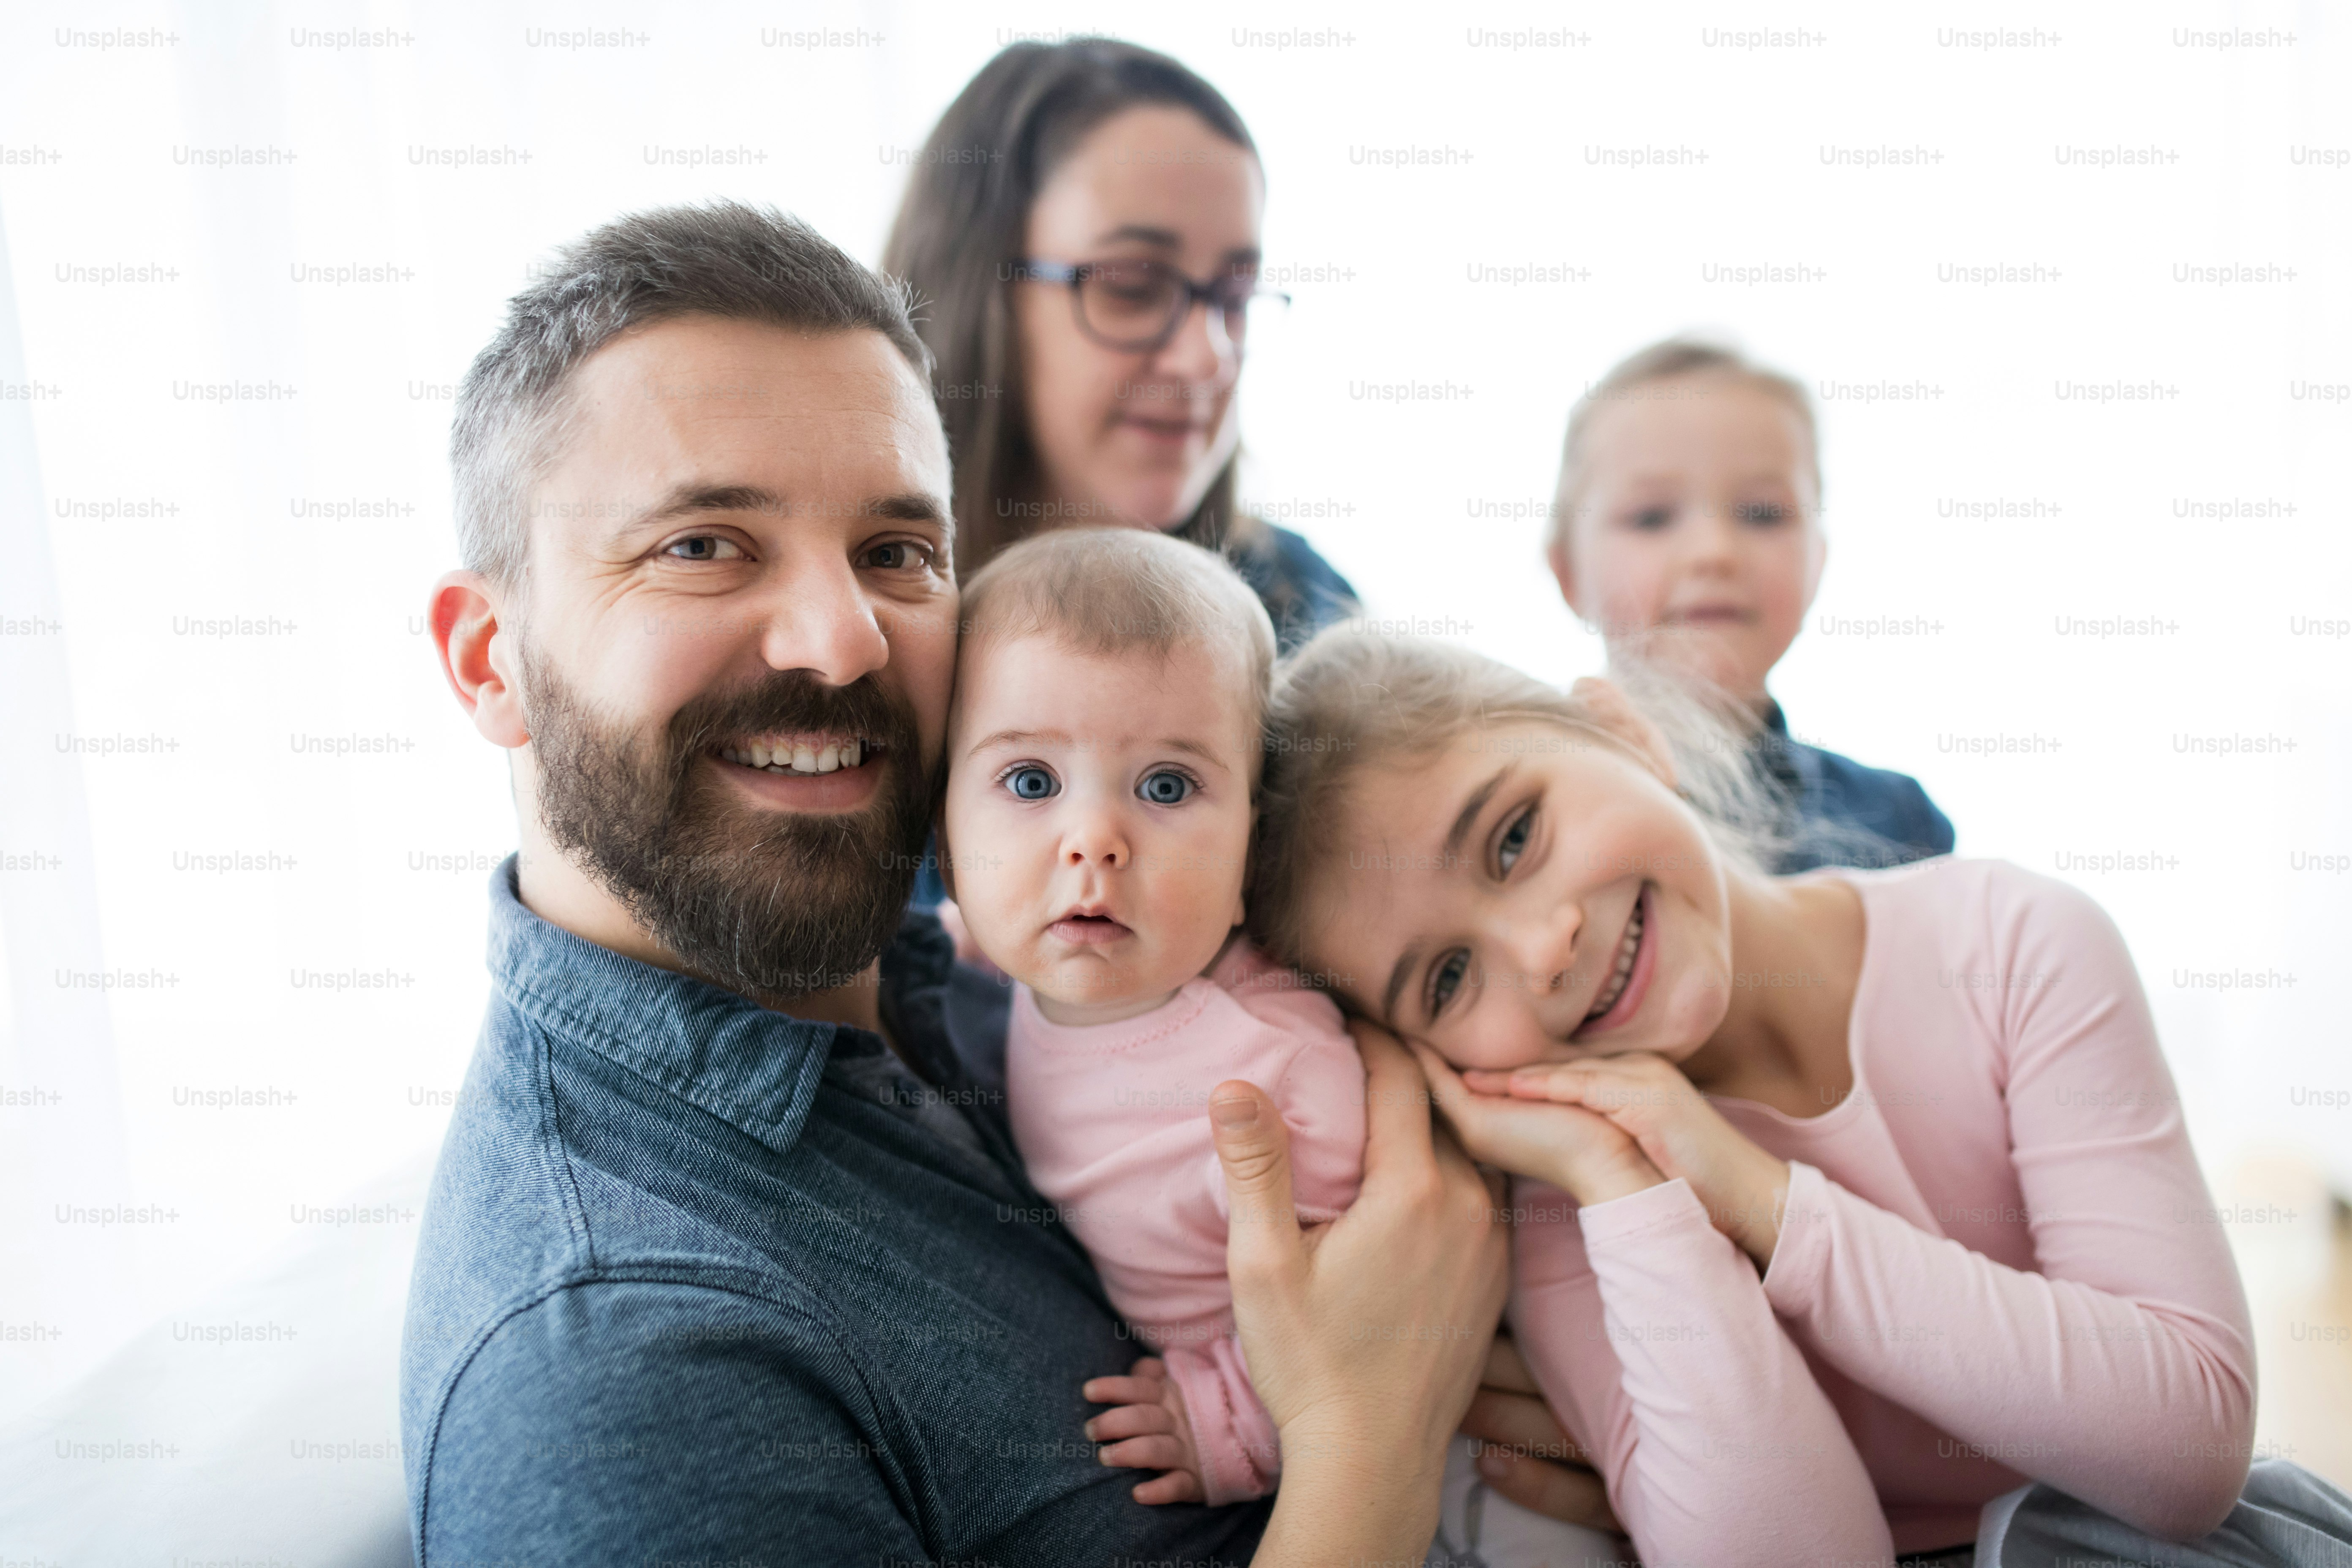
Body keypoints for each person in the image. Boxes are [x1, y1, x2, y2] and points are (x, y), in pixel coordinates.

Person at [398, 201, 1513, 1565]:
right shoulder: (624, 1363)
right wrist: (1371, 1431)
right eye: (703, 545)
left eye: (896, 553)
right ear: (486, 658)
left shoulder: (983, 947)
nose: (844, 638)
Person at [1241, 629, 2352, 1566]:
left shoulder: (2010, 943)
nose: (1541, 949)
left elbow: (2190, 1448)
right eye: (1446, 978)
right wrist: (1626, 1185)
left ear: (1622, 731)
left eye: (1516, 836)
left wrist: (1761, 1199)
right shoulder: (1568, 1209)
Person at [881, 37, 1357, 653]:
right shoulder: (871, 639)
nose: (1207, 358)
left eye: (1236, 299)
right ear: (979, 291)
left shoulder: (1304, 609)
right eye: (1133, 286)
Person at [1548, 338, 1956, 871]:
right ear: (1568, 574)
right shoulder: (1524, 811)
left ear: (1819, 561)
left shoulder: (1900, 826)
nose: (1714, 552)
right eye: (1651, 517)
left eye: (1763, 514)